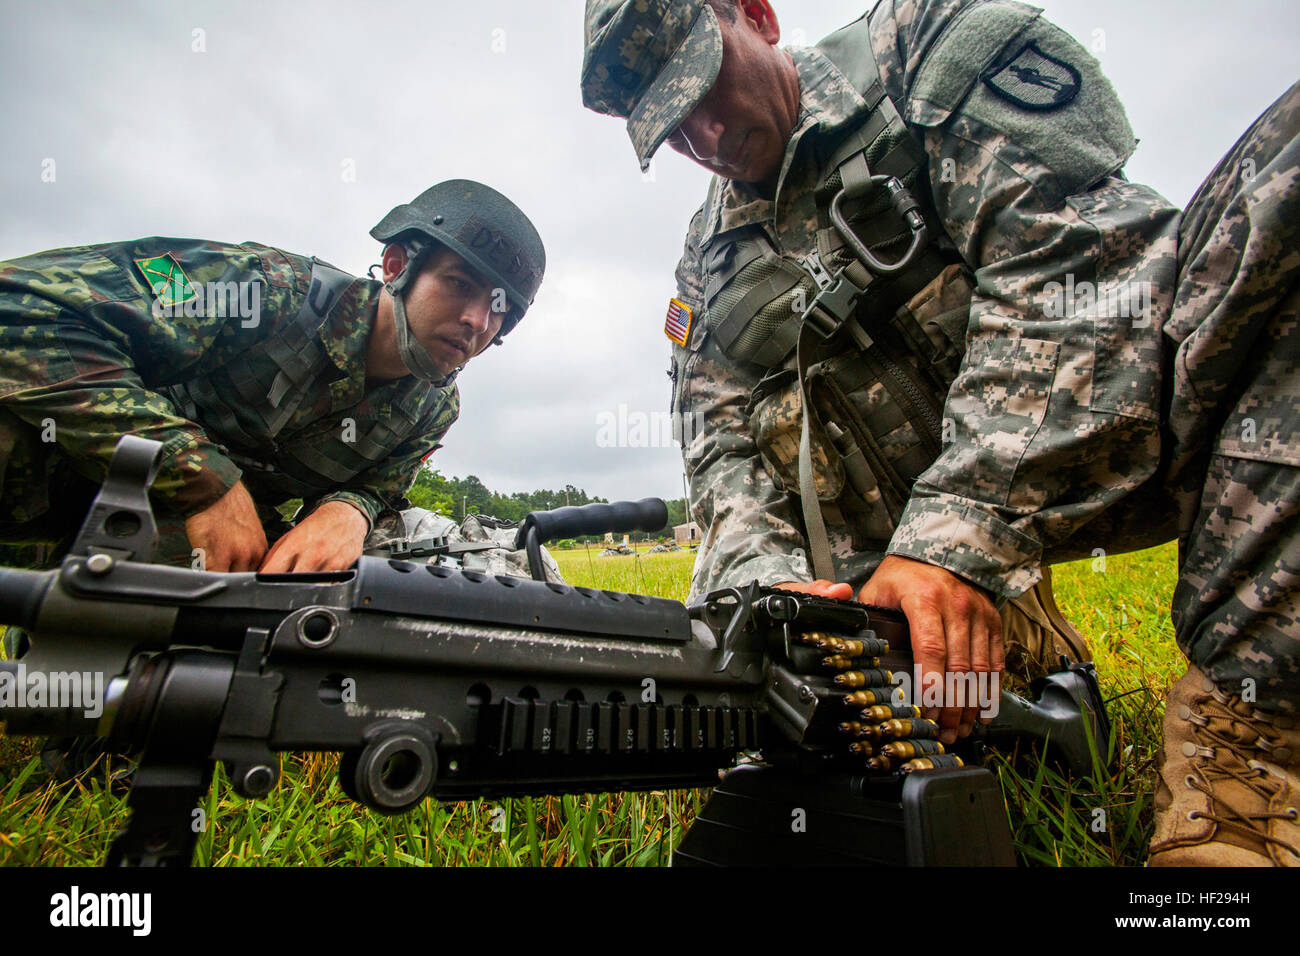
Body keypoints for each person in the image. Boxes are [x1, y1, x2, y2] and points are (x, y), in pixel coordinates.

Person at [580, 0, 1298, 866]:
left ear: (757, 16)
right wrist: (769, 602)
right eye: (671, 128)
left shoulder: (932, 51)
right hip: (897, 563)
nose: (705, 132)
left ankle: (1247, 747)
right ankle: (1004, 668)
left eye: (704, 86)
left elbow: (1072, 273)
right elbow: (718, 446)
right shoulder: (707, 261)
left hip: (1143, 429)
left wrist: (958, 533)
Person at [0, 179, 546, 653]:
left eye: (499, 306)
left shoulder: (433, 409)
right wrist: (202, 478)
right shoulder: (264, 290)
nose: (476, 319)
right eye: (459, 285)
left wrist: (350, 509)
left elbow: (383, 486)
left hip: (178, 548)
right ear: (399, 266)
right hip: (48, 473)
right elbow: (22, 308)